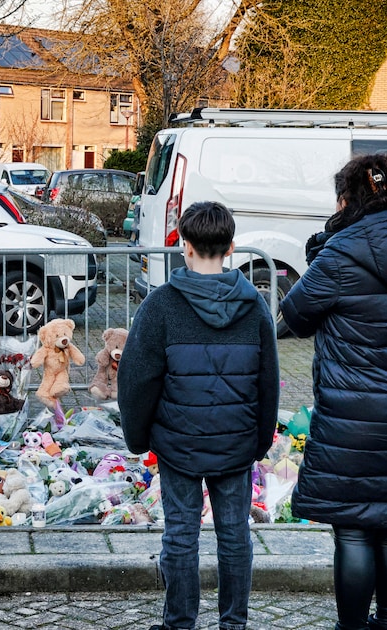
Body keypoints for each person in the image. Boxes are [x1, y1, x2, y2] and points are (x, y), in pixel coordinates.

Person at [281, 153, 387, 630]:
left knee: (351, 528)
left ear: (347, 199)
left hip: (353, 409)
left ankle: (351, 627)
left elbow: (296, 314)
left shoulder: (341, 250)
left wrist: (321, 252)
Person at [118, 200, 280, 630]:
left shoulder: (161, 306)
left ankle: (179, 624)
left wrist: (138, 437)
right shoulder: (255, 306)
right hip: (235, 444)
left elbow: (136, 382)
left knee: (181, 536)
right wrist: (259, 441)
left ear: (185, 246)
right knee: (234, 537)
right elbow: (269, 382)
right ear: (230, 248)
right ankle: (233, 624)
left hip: (179, 444)